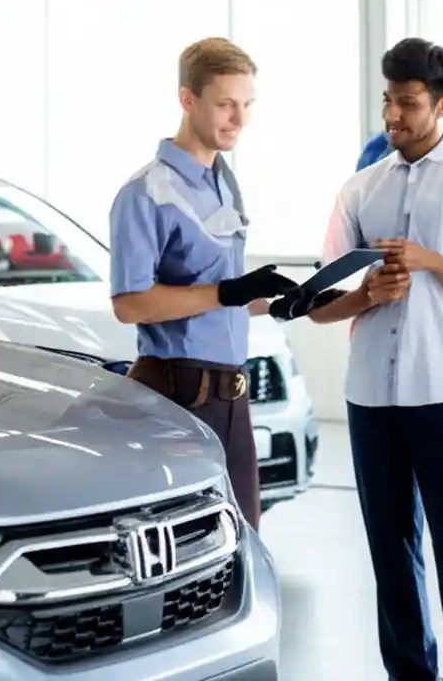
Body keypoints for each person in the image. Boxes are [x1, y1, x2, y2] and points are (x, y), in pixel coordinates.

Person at [283, 37, 443, 681]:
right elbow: (317, 304)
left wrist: (433, 262)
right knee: (391, 551)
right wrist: (367, 293)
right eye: (388, 100)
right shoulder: (358, 191)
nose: (392, 116)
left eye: (408, 103)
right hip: (371, 402)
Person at [109, 37, 297, 531]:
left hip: (232, 397)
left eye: (247, 104)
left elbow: (220, 298)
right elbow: (130, 304)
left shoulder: (222, 181)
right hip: (179, 394)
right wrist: (225, 293)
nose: (239, 119)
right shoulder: (145, 193)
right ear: (187, 100)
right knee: (193, 542)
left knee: (245, 538)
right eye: (225, 105)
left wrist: (279, 301)